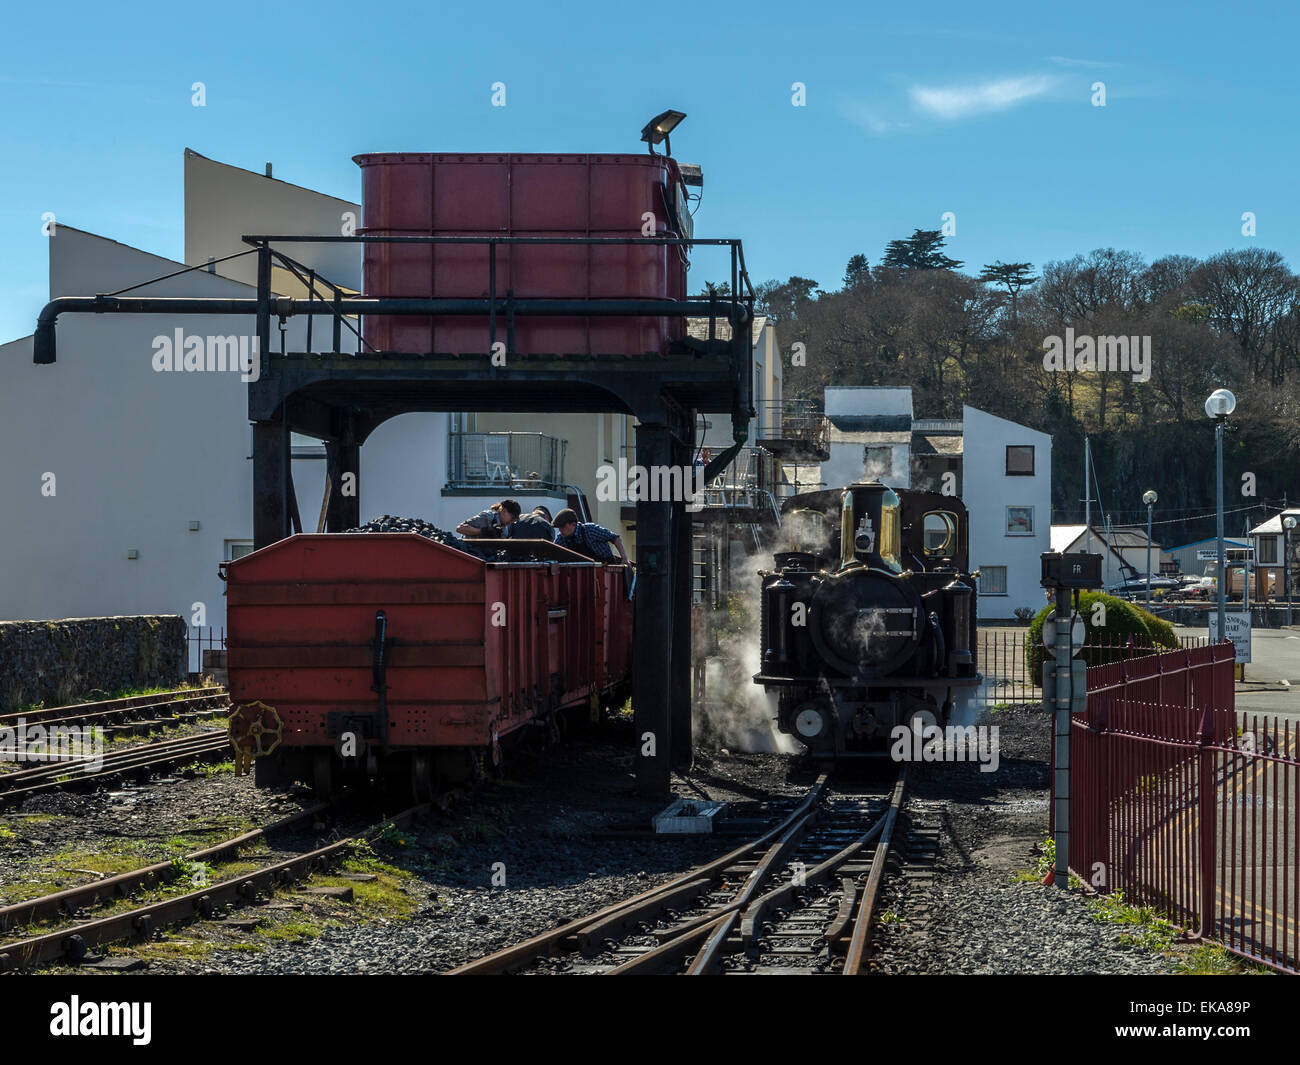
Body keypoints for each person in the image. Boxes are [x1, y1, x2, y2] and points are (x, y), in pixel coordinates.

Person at [553, 508, 629, 563]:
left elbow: (615, 538)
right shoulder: (562, 538)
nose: (560, 530)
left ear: (573, 524)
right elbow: (552, 551)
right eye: (559, 527)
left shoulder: (590, 530)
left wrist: (624, 558)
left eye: (562, 527)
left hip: (606, 570)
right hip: (583, 574)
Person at [456, 499, 521, 538]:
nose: (512, 521)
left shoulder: (504, 530)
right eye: (512, 518)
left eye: (514, 520)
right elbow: (459, 529)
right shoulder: (487, 517)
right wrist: (483, 531)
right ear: (504, 511)